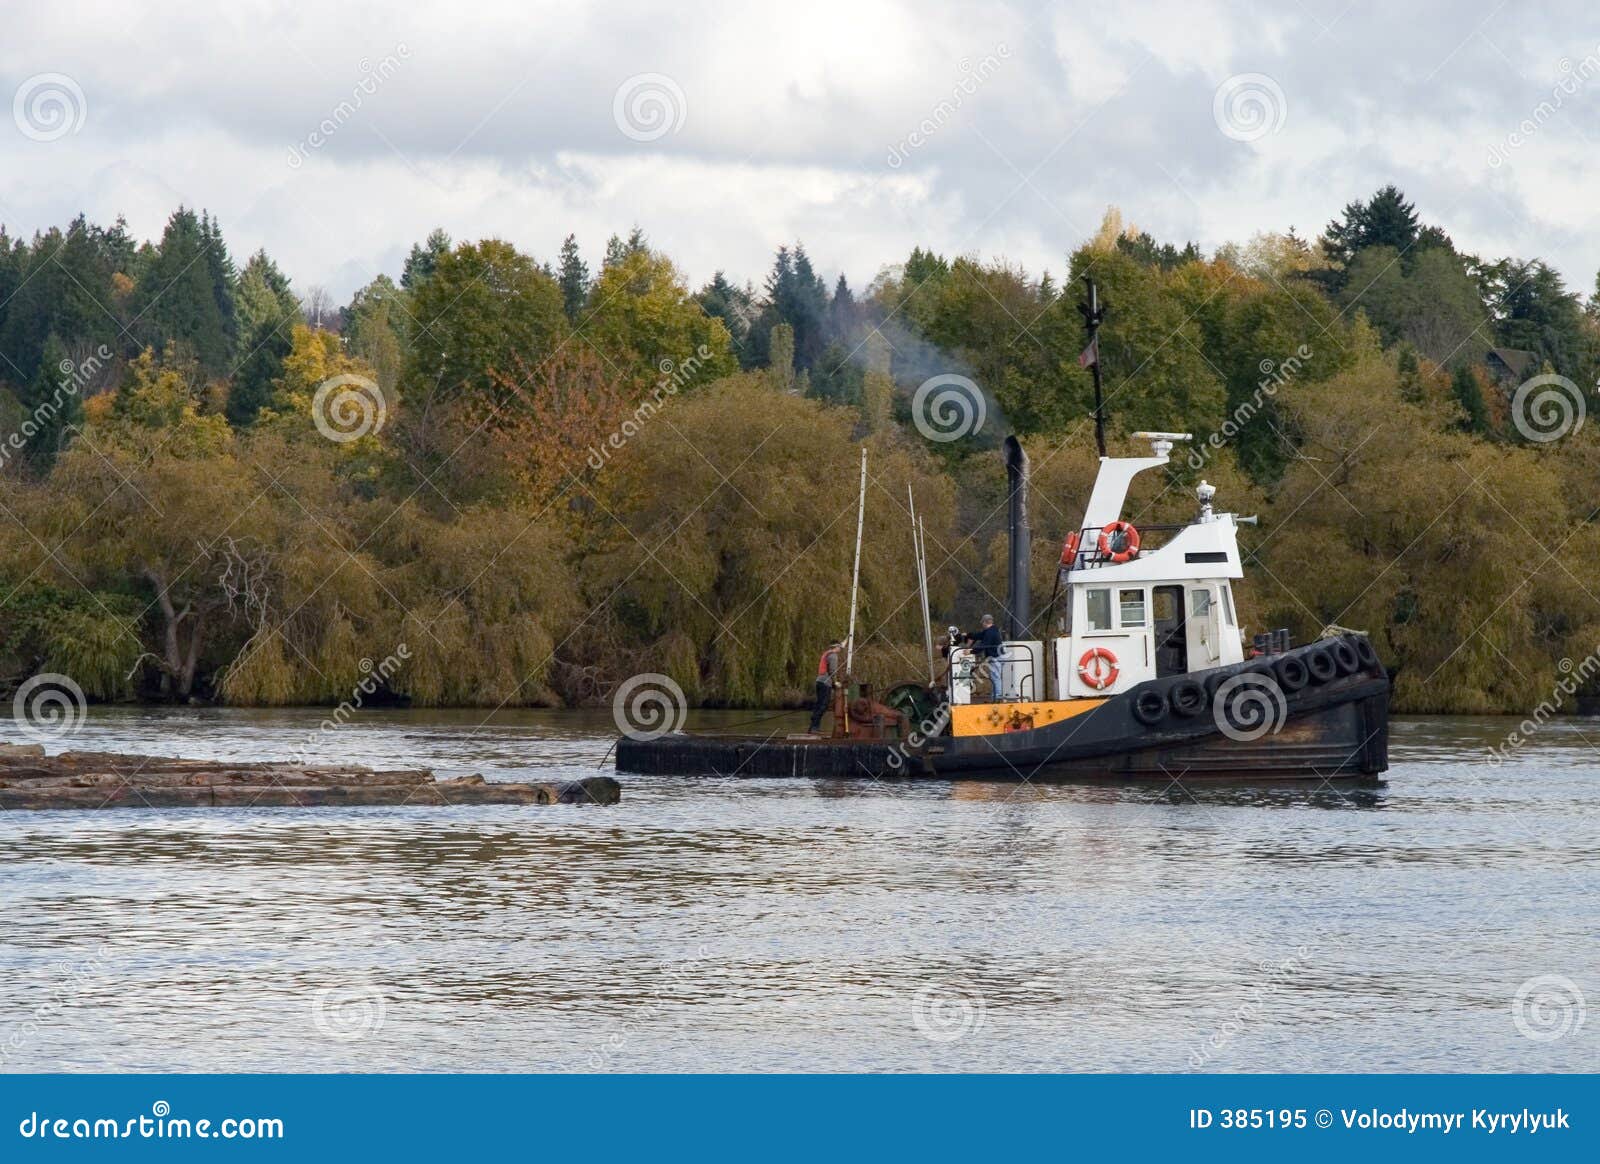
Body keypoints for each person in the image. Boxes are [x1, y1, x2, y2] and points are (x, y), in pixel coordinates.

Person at [809, 641, 843, 733]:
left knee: (818, 705)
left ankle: (812, 727)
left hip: (819, 682)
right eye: (839, 648)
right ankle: (814, 728)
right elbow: (832, 671)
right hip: (825, 683)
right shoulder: (833, 656)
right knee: (823, 706)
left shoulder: (826, 654)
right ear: (836, 647)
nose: (840, 649)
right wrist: (835, 682)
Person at [968, 614, 1003, 701]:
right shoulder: (992, 630)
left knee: (996, 678)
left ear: (985, 622)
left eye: (982, 622)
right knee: (995, 678)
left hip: (996, 658)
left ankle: (998, 698)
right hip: (996, 657)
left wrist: (970, 651)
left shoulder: (990, 632)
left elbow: (984, 645)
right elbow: (979, 635)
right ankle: (995, 697)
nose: (982, 624)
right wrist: (968, 635)